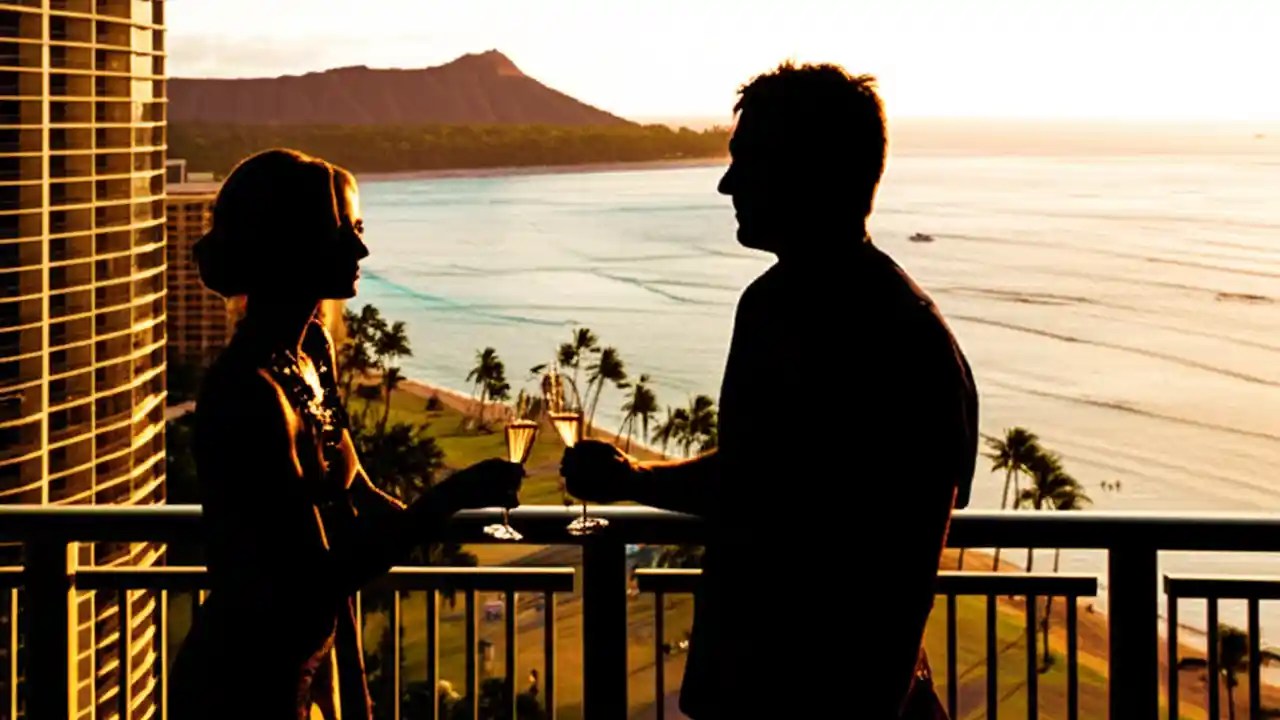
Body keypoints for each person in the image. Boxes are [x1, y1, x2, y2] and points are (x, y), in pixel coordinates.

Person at [560, 63, 978, 718]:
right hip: (746, 689)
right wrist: (633, 478)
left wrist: (633, 480)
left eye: (748, 160)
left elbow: (900, 570)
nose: (728, 183)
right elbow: (761, 480)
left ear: (807, 169)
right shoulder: (775, 306)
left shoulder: (900, 337)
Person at [167, 148, 523, 720]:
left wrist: (459, 503)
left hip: (315, 656)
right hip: (246, 679)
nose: (361, 249)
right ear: (286, 244)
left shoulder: (312, 351)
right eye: (341, 233)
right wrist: (446, 502)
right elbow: (313, 576)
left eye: (359, 229)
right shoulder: (248, 393)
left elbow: (359, 498)